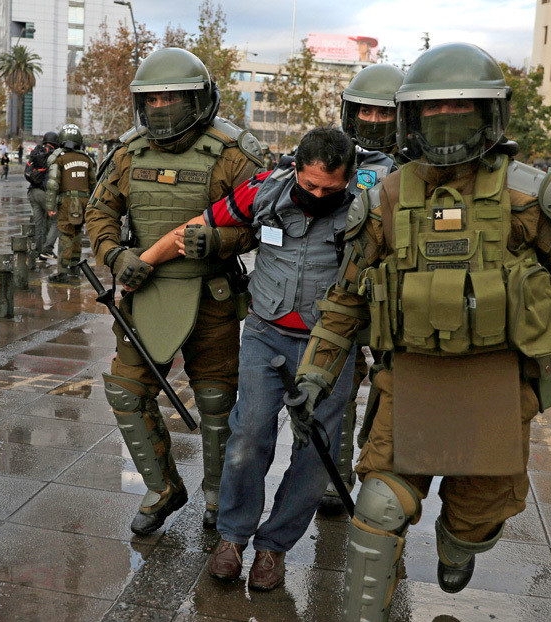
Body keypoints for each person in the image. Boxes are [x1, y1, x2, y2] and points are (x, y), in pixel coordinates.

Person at [292, 43, 551, 621]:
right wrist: (314, 373)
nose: (445, 128)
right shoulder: (385, 199)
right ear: (409, 120)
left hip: (499, 384)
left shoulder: (529, 197)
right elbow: (344, 299)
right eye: (431, 115)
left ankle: (461, 538)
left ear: (491, 116)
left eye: (460, 113)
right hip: (410, 379)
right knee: (377, 508)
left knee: (476, 518)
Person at [83, 47, 264, 536]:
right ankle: (163, 487)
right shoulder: (127, 151)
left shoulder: (233, 152)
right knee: (125, 392)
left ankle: (216, 498)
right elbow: (98, 213)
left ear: (199, 99)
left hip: (213, 296)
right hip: (145, 292)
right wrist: (115, 255)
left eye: (174, 97)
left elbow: (263, 221)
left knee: (215, 401)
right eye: (153, 98)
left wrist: (222, 239)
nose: (162, 107)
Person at [189, 128, 361, 591]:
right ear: (295, 170)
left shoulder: (368, 206)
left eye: (331, 189)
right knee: (247, 435)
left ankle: (273, 548)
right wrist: (139, 262)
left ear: (349, 178)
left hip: (330, 343)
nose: (319, 195)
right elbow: (205, 224)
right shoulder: (264, 190)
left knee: (315, 452)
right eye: (311, 185)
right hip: (266, 333)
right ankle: (232, 537)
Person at [320, 63, 404, 516]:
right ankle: (336, 476)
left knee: (392, 388)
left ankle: (381, 476)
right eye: (363, 111)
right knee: (338, 383)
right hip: (346, 290)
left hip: (399, 297)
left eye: (383, 112)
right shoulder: (335, 155)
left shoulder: (421, 165)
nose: (372, 121)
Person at [46, 123, 98, 283]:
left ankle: (62, 272)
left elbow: (53, 184)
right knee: (76, 234)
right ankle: (75, 267)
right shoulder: (86, 158)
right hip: (85, 201)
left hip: (67, 201)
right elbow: (93, 183)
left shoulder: (60, 158)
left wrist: (50, 206)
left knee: (65, 234)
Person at [27, 131, 60, 261]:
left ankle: (37, 253)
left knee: (38, 225)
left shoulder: (36, 152)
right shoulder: (52, 155)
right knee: (56, 221)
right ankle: (47, 250)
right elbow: (50, 180)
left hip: (32, 193)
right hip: (44, 193)